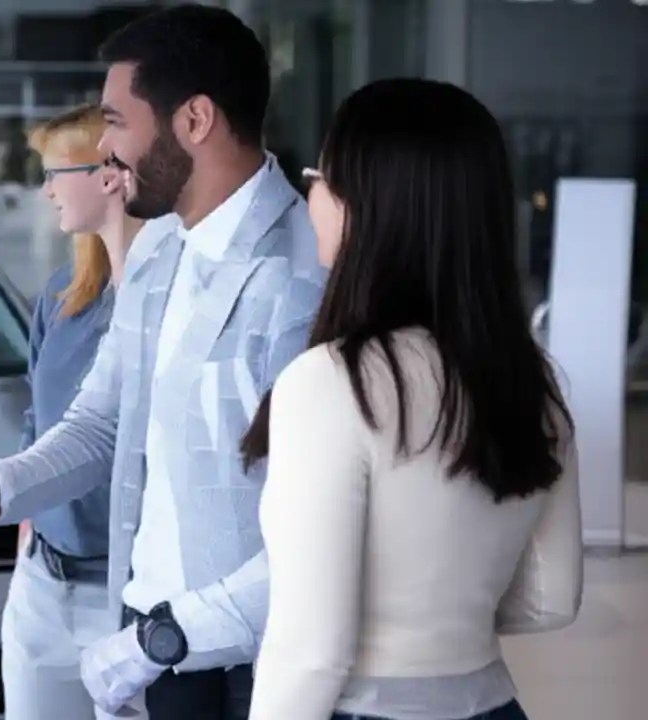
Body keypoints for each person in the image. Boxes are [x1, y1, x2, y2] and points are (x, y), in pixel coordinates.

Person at [0, 6, 326, 718]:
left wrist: (164, 642)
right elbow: (99, 426)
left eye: (116, 122)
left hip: (258, 666)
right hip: (151, 644)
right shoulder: (157, 256)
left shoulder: (303, 272)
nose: (106, 151)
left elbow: (321, 520)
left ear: (194, 120)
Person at [244, 78, 583, 720]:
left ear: (364, 204)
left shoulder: (329, 381)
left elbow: (312, 649)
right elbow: (553, 598)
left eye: (319, 177)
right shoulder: (532, 376)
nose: (311, 195)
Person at [1, 104, 152, 720]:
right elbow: (38, 425)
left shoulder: (163, 302)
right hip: (43, 584)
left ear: (107, 174)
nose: (45, 191)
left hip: (125, 596)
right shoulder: (61, 299)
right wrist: (26, 540)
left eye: (57, 173)